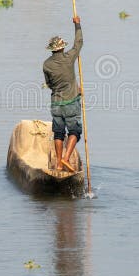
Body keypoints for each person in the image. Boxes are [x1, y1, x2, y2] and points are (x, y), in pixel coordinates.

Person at [43, 16, 83, 171]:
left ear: (52, 49)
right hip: (71, 102)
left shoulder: (46, 64)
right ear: (61, 48)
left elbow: (49, 84)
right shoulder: (68, 58)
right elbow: (79, 43)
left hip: (56, 104)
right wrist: (77, 24)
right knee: (75, 131)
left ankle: (59, 164)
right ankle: (66, 158)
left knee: (58, 133)